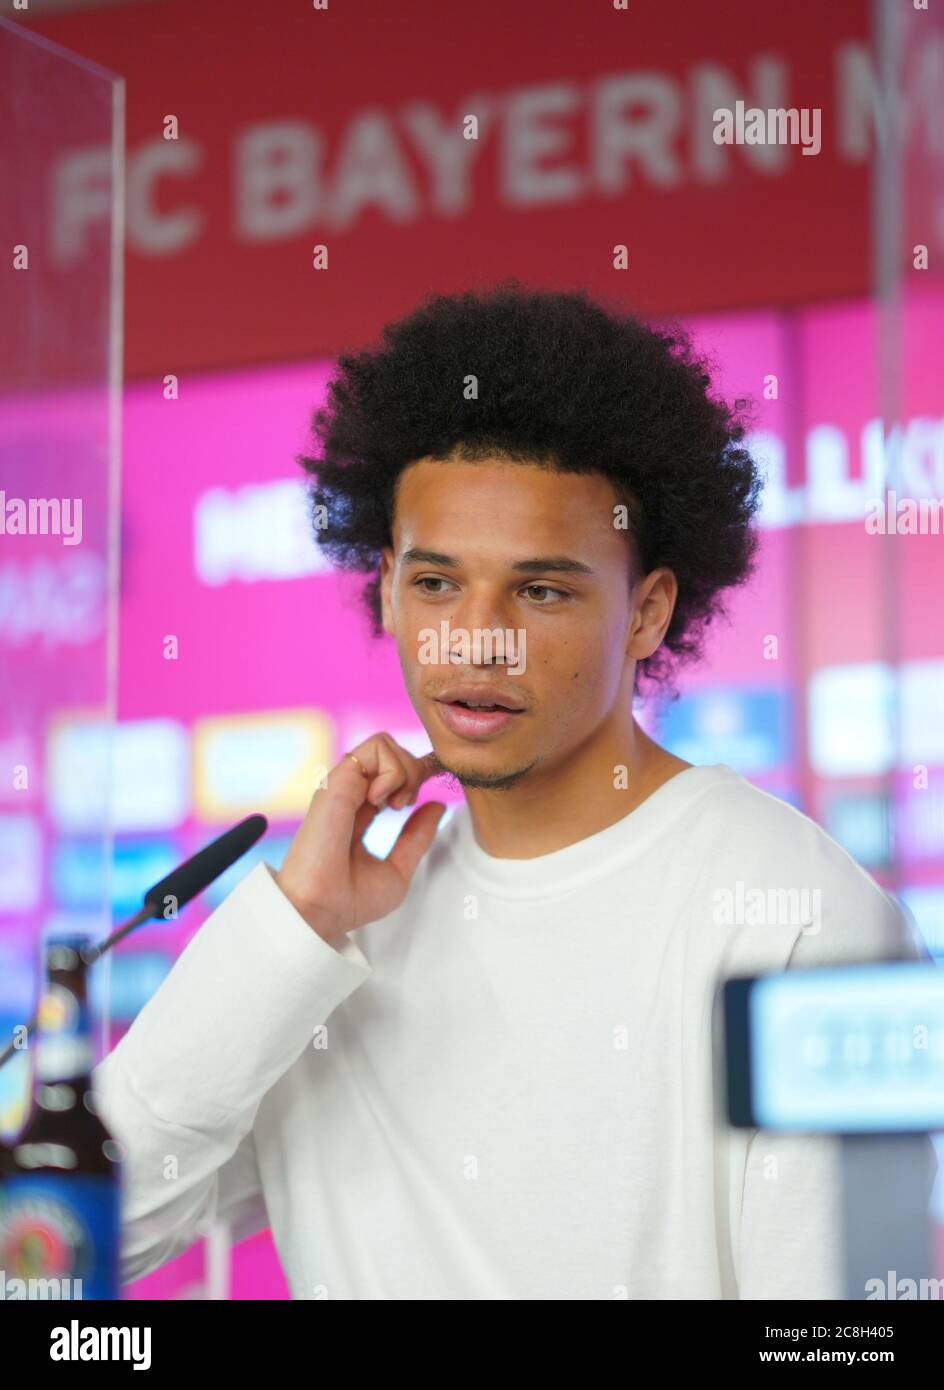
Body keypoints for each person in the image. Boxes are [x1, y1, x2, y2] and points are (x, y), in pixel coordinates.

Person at [93, 283, 930, 1299]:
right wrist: (296, 925)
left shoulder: (798, 917)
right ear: (386, 587)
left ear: (646, 610)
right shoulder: (327, 939)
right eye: (436, 582)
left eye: (540, 589)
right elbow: (57, 1243)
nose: (474, 637)